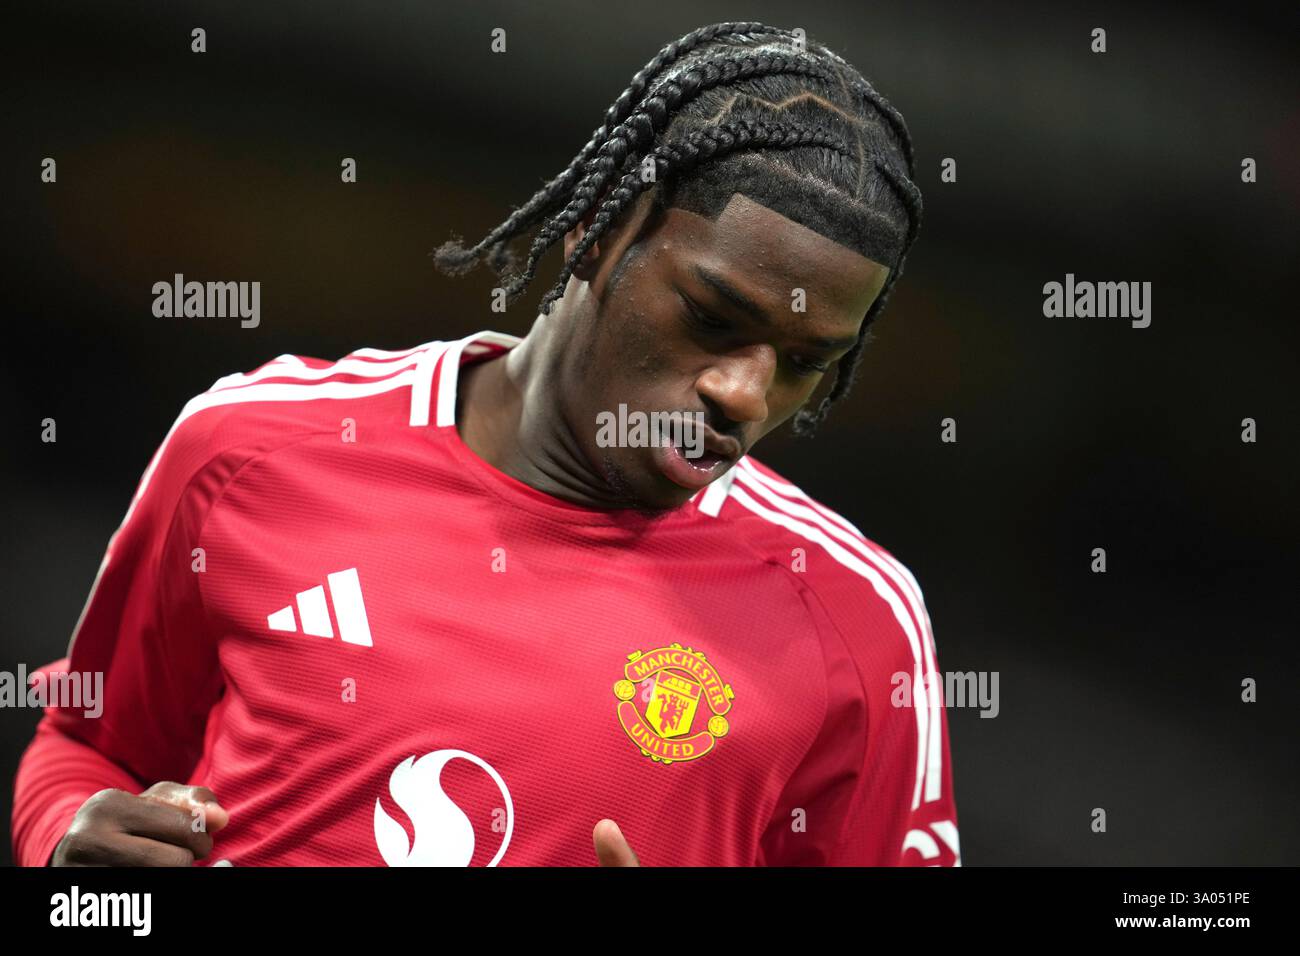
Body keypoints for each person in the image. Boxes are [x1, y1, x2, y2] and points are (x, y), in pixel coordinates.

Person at [12, 21, 957, 867]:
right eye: (713, 318)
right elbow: (87, 748)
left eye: (804, 362)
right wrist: (68, 849)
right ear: (598, 230)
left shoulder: (857, 623)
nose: (743, 393)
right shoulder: (252, 447)